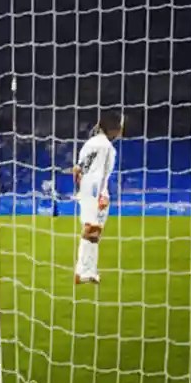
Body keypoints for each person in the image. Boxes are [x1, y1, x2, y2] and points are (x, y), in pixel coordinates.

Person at [73, 111, 123, 285]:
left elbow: (77, 170)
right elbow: (103, 175)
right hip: (97, 191)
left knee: (92, 231)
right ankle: (83, 271)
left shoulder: (89, 144)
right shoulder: (108, 148)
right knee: (92, 230)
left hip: (86, 190)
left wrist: (80, 191)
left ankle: (88, 271)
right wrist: (102, 195)